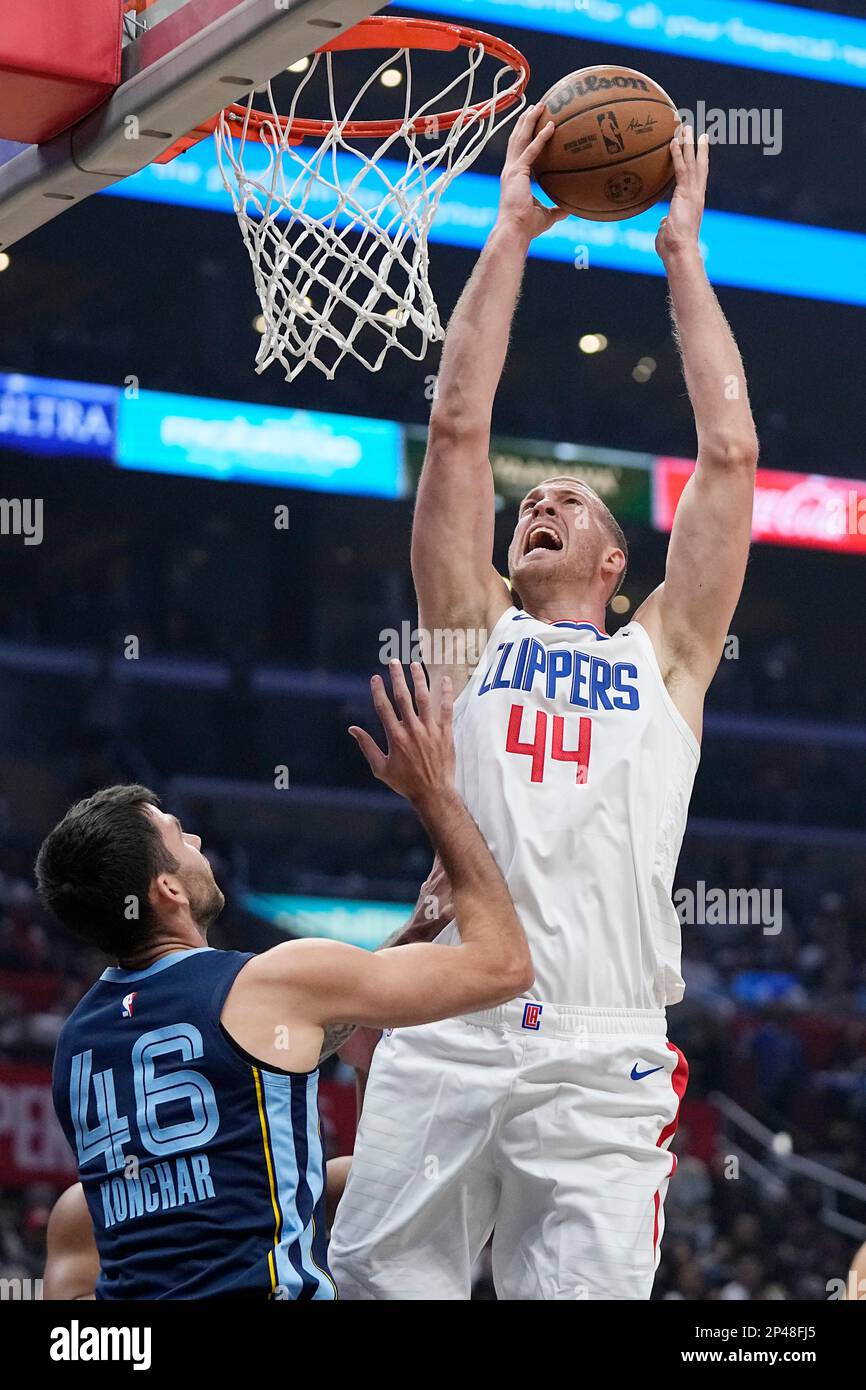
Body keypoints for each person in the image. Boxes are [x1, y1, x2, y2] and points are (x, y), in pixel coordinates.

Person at [329, 109, 759, 1301]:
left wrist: (682, 254)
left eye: (570, 501)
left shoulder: (666, 656)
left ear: (617, 562)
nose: (541, 502)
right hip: (452, 1013)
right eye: (532, 499)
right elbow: (457, 428)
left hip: (602, 1038)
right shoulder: (471, 630)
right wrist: (509, 228)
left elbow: (728, 458)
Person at [38, 663, 532, 1299]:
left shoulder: (75, 1047)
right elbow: (505, 966)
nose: (193, 836)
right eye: (175, 833)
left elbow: (241, 1077)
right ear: (166, 890)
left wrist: (410, 937)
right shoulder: (271, 980)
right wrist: (435, 794)